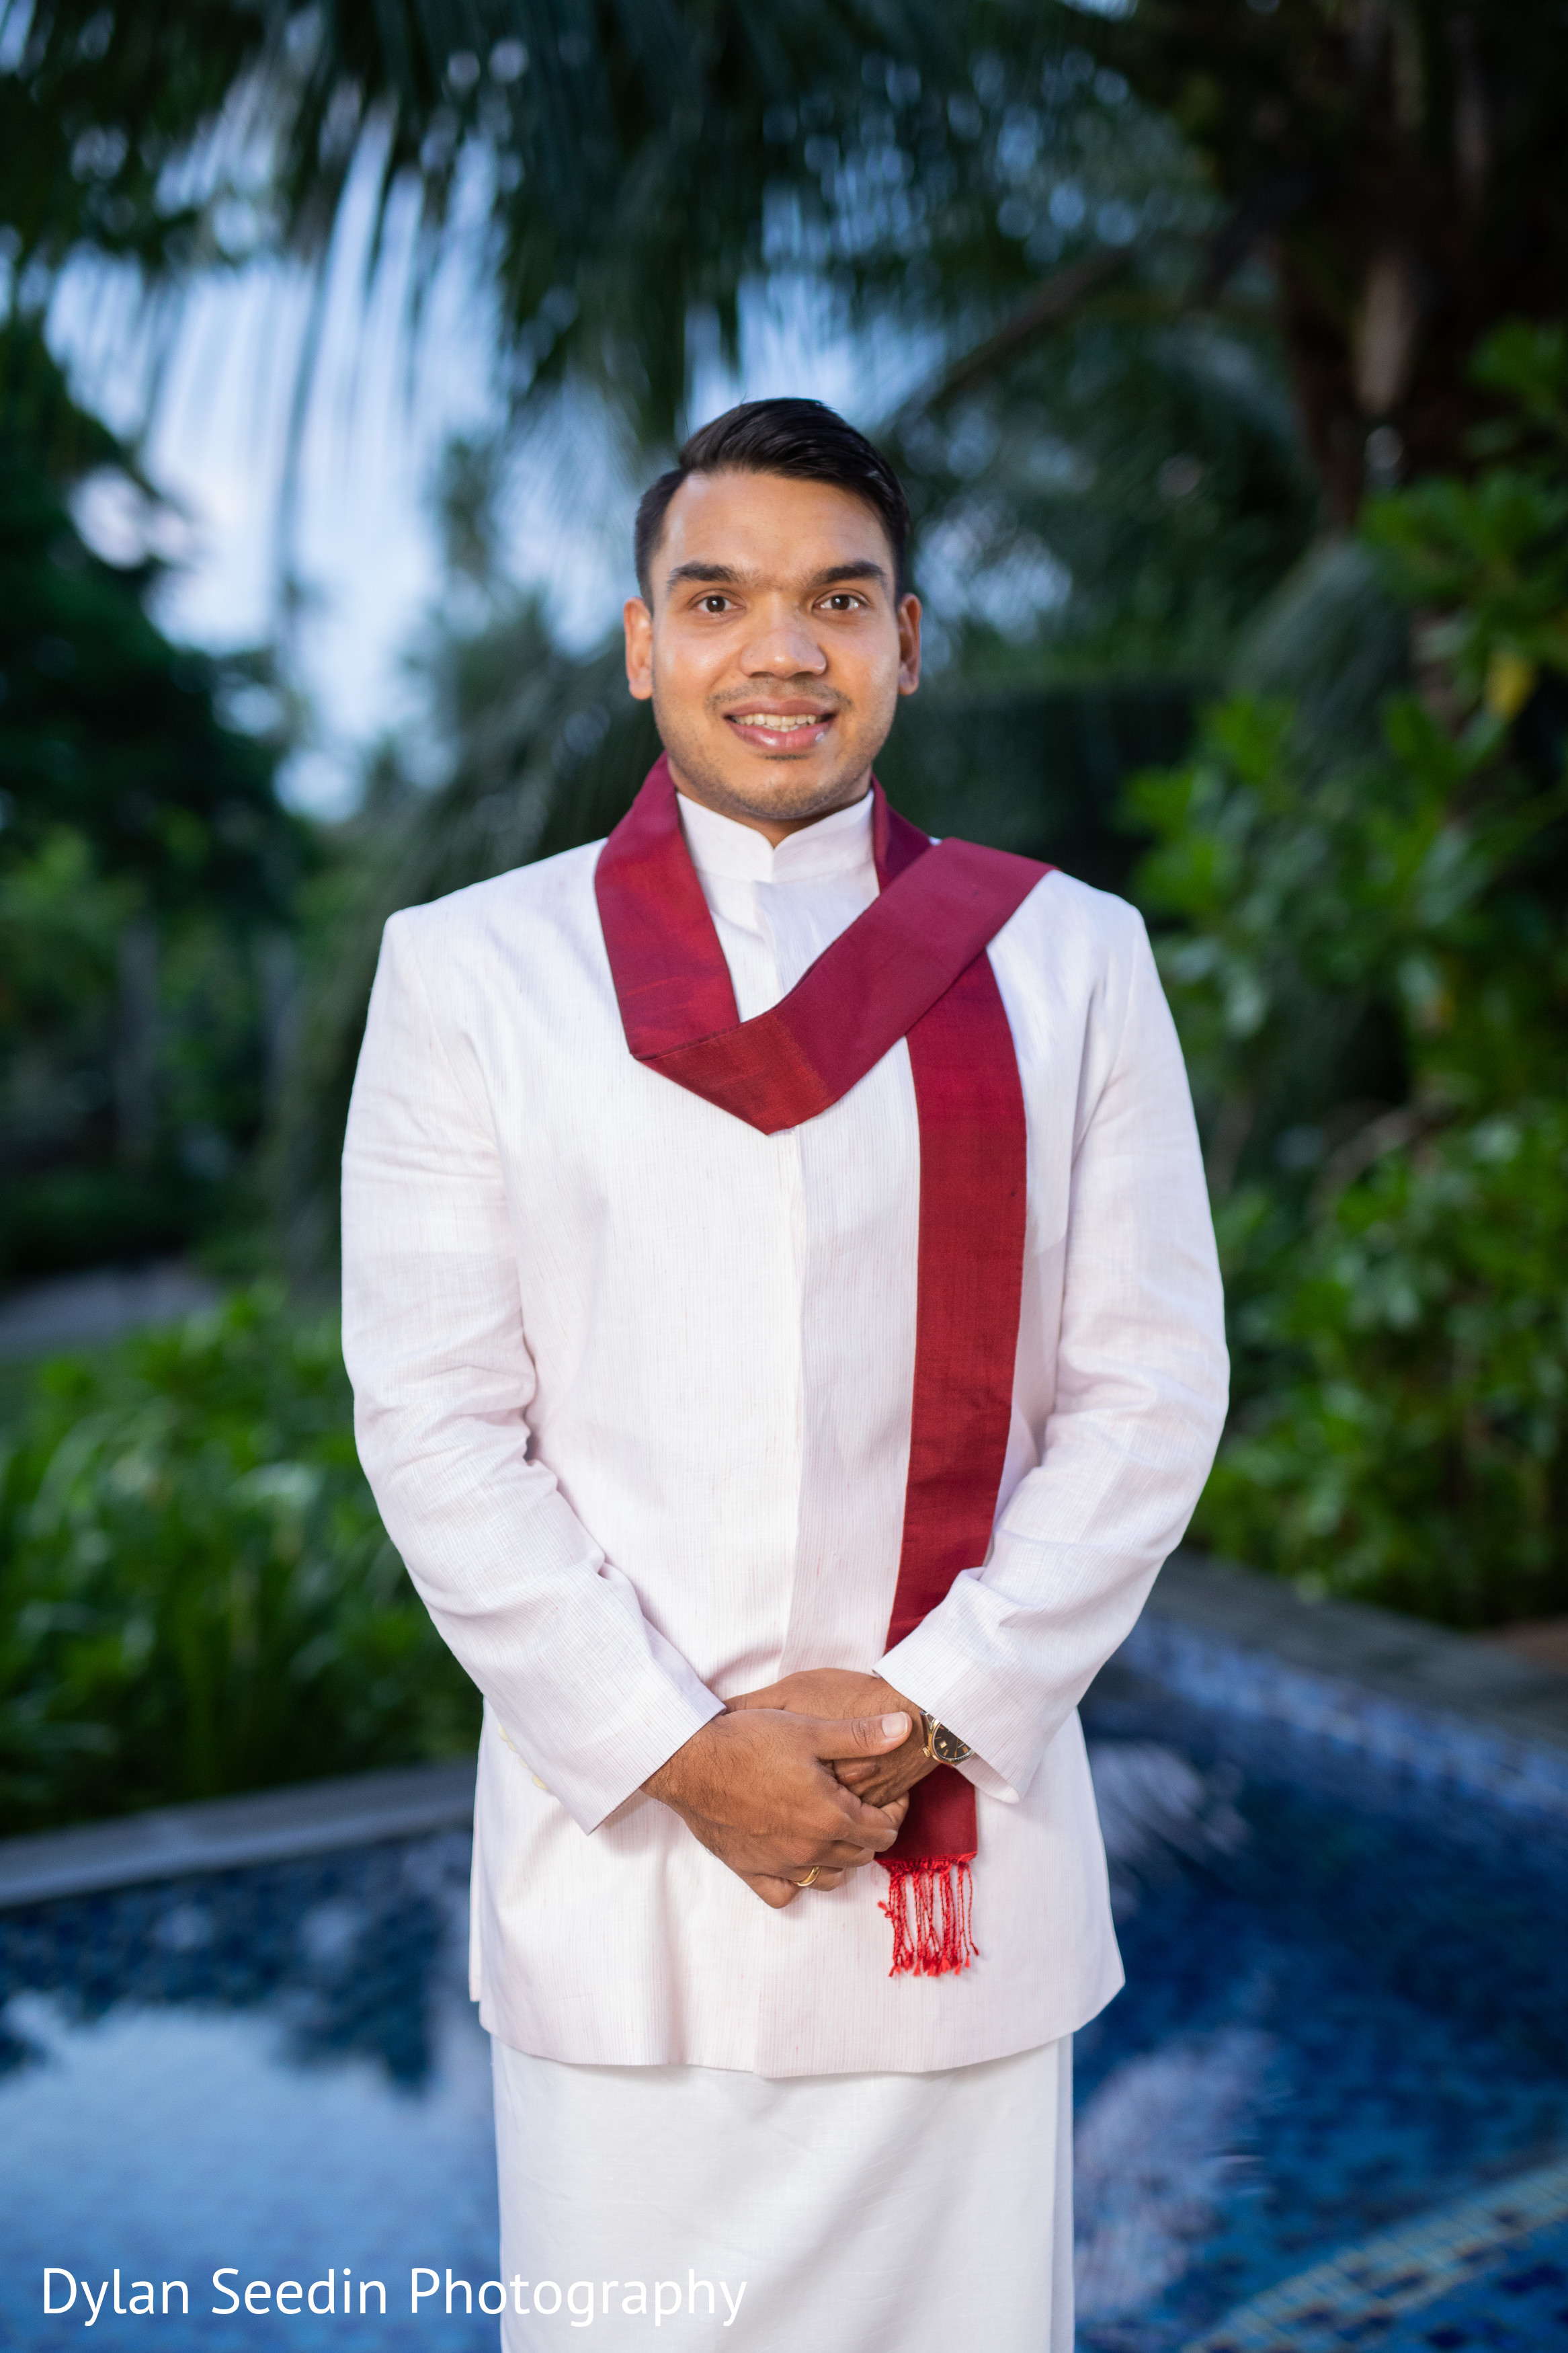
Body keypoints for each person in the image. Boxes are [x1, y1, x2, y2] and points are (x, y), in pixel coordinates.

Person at [341, 397, 1227, 2351]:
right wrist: (685, 1752)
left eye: (841, 597)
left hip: (950, 1875)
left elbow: (1153, 1389)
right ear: (644, 641)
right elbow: (433, 1420)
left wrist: (931, 1710)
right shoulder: (474, 972)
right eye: (721, 595)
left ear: (911, 639)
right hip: (623, 1881)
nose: (786, 649)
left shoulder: (1070, 961)